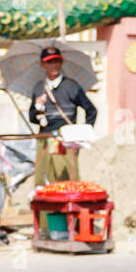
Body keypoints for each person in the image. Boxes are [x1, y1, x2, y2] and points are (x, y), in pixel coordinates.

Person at [29, 45, 97, 188]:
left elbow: (91, 110)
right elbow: (32, 118)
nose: (53, 65)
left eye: (56, 61)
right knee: (43, 180)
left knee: (67, 181)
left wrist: (82, 133)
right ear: (42, 65)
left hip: (65, 139)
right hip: (44, 139)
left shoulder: (72, 86)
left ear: (61, 63)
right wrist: (38, 108)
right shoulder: (38, 87)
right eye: (49, 62)